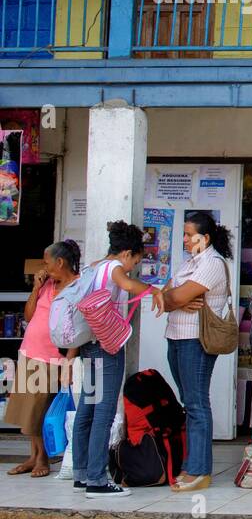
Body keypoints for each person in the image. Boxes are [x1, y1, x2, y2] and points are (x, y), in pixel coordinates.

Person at [74, 221, 165, 499]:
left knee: (86, 410)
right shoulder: (114, 269)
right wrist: (155, 290)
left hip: (88, 348)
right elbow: (127, 283)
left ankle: (82, 474)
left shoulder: (95, 266)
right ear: (127, 253)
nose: (134, 267)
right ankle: (97, 480)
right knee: (103, 412)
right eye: (136, 261)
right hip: (107, 349)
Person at [157, 211, 234, 493]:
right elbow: (164, 297)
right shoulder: (188, 263)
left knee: (197, 403)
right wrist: (174, 299)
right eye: (185, 235)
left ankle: (199, 470)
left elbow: (173, 296)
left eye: (190, 235)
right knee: (189, 403)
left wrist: (174, 298)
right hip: (176, 336)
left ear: (206, 237)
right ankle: (191, 465)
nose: (186, 240)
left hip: (196, 340)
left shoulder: (212, 263)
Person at [8, 240, 79, 478]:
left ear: (60, 262)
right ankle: (33, 456)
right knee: (27, 411)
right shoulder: (47, 284)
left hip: (52, 358)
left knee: (41, 412)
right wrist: (36, 289)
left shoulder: (77, 286)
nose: (44, 267)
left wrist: (68, 362)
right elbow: (30, 315)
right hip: (30, 350)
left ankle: (43, 459)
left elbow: (78, 329)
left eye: (47, 262)